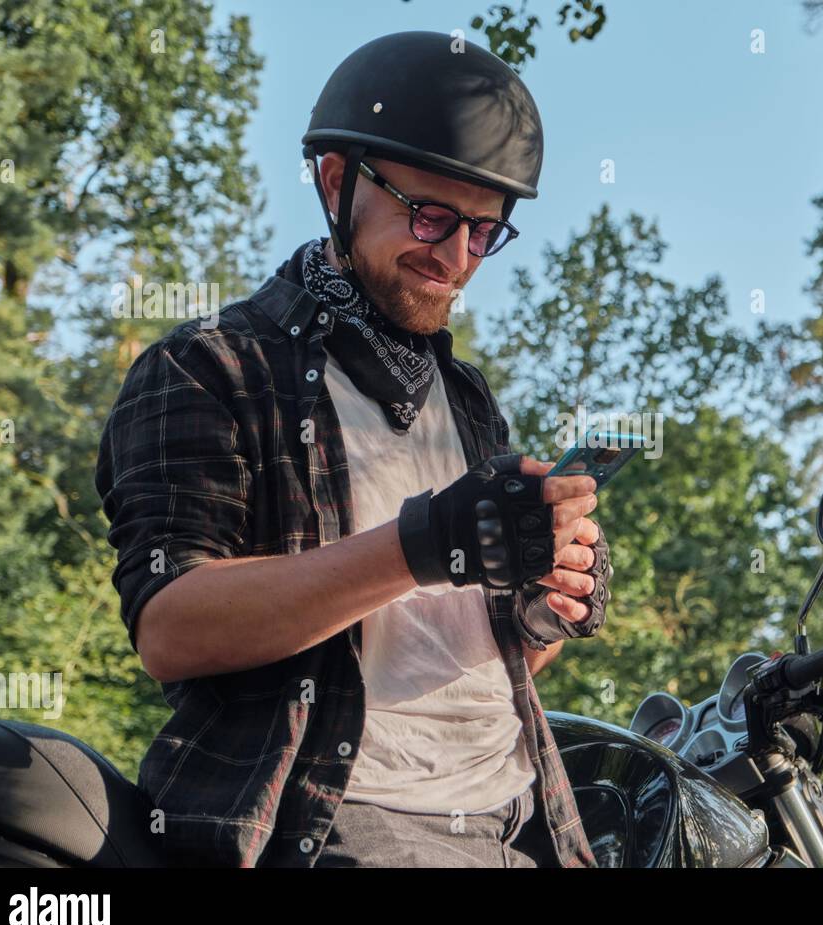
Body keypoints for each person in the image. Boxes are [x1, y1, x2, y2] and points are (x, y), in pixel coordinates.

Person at [94, 30, 611, 868]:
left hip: (526, 817)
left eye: (484, 232)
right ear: (337, 181)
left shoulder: (467, 399)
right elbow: (170, 626)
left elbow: (479, 657)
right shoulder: (210, 367)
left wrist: (547, 602)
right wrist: (422, 543)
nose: (454, 257)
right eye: (431, 215)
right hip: (332, 822)